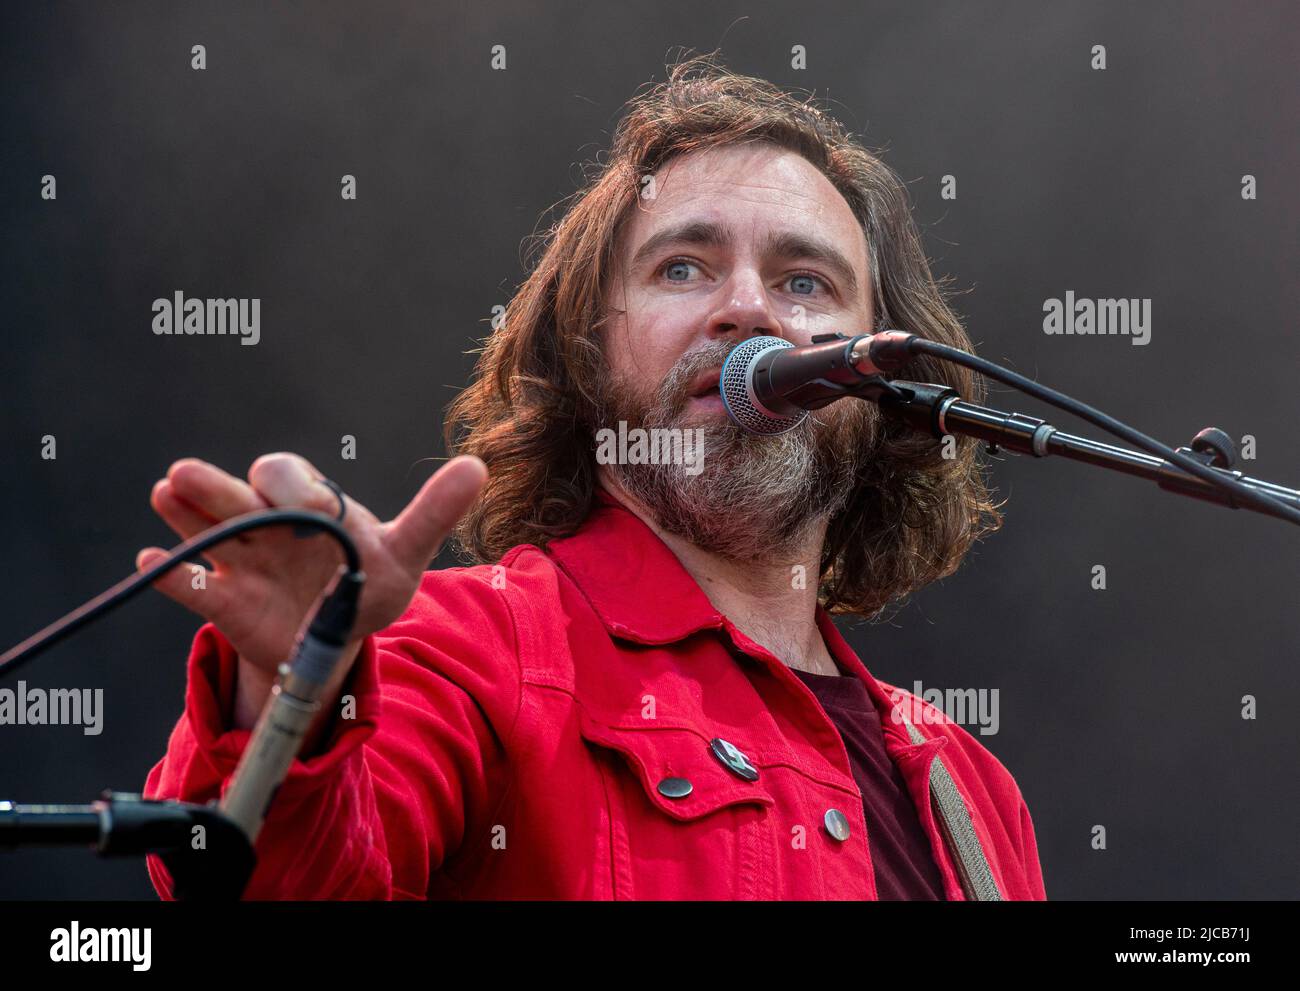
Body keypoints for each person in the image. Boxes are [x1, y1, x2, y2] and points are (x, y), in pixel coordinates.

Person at [139, 54, 1045, 900]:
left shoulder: (973, 788)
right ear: (587, 356)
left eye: (805, 282)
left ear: (875, 380)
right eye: (682, 267)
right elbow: (282, 879)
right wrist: (292, 690)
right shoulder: (475, 648)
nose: (748, 309)